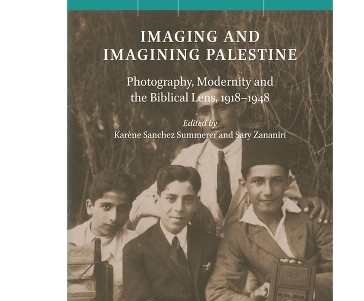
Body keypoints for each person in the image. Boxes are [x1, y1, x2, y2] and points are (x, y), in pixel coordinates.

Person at [90, 165, 268, 301]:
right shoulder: (136, 248)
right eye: (171, 199)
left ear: (197, 203)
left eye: (188, 200)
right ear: (157, 201)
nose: (179, 208)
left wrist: (252, 295)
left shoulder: (212, 244)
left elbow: (227, 291)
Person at [205, 139, 333, 301]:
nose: (268, 190)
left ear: (287, 182)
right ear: (243, 185)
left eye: (276, 180)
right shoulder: (238, 233)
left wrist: (304, 286)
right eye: (258, 181)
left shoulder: (311, 216)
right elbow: (216, 294)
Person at [129, 85, 331, 236]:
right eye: (205, 111)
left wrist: (307, 203)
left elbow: (292, 203)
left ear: (238, 108)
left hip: (252, 252)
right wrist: (193, 209)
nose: (214, 118)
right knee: (147, 223)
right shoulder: (189, 157)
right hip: (202, 253)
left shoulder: (262, 150)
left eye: (221, 107)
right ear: (198, 119)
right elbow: (140, 204)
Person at [68, 170, 137, 301]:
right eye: (106, 207)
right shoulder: (67, 241)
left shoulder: (137, 244)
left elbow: (142, 297)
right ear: (90, 206)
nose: (114, 217)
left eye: (122, 209)